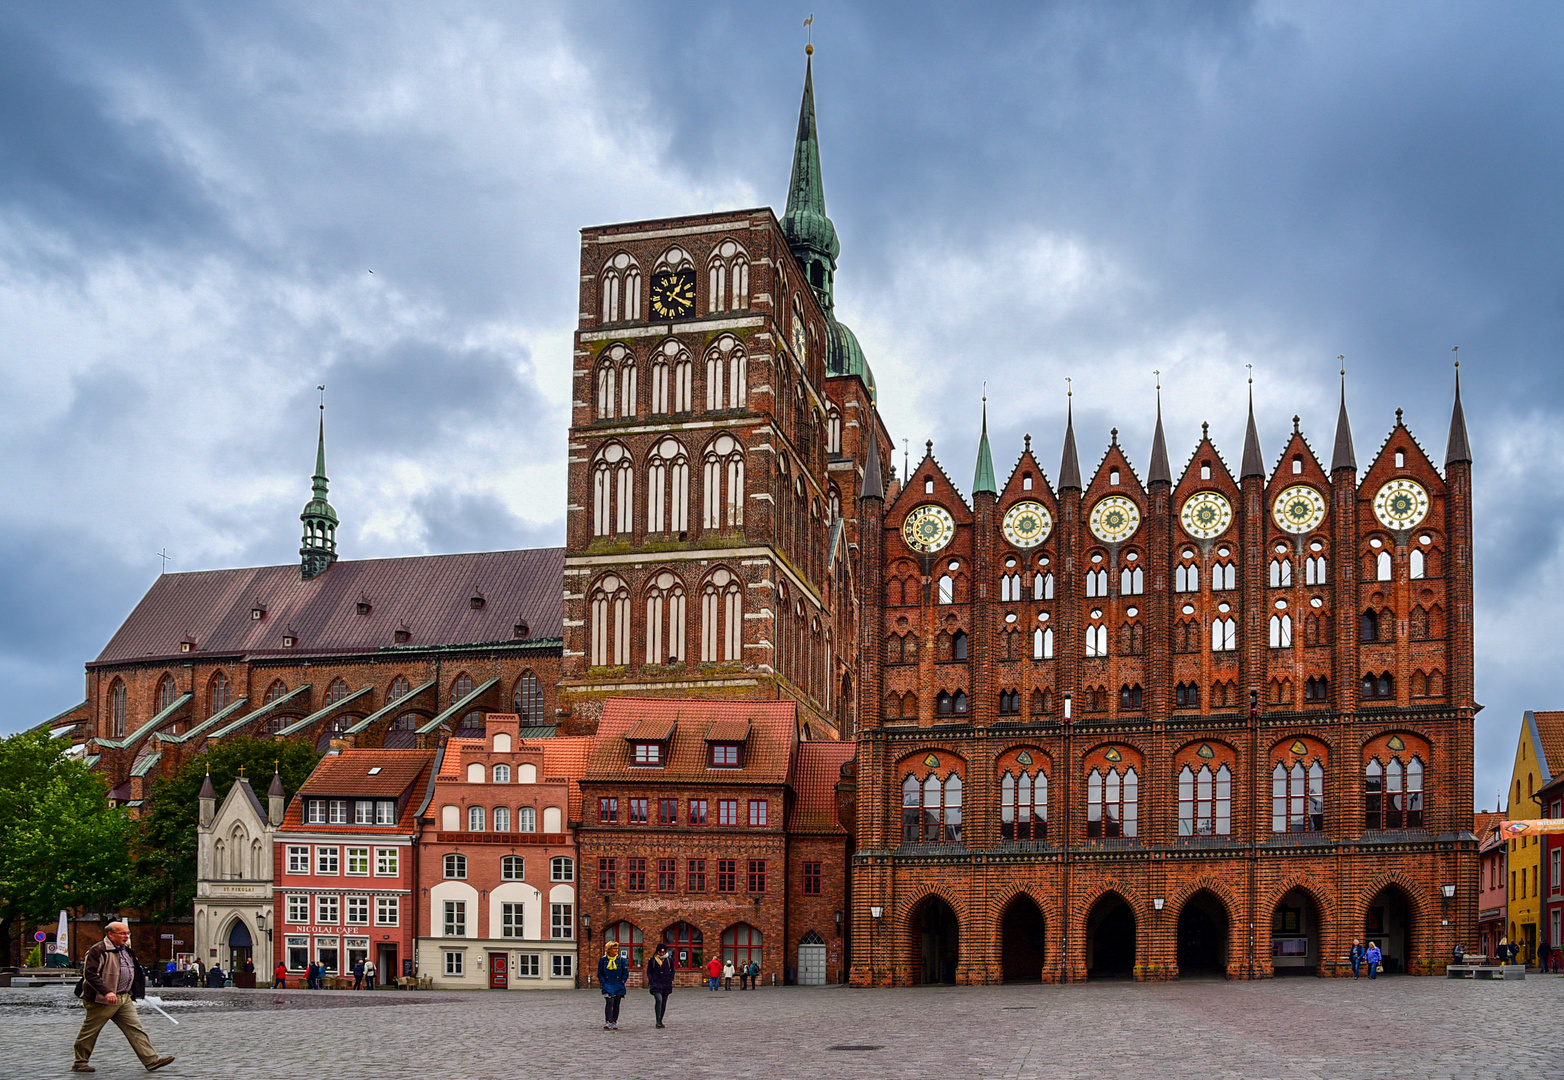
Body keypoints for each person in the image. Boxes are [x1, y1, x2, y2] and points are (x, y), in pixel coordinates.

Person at [72, 921, 176, 1073]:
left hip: (124, 998)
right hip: (102, 1000)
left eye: (127, 933)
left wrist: (135, 990)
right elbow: (90, 974)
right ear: (110, 934)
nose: (126, 936)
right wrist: (106, 991)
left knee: (135, 1029)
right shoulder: (98, 950)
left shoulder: (126, 950)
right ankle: (80, 1063)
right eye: (122, 933)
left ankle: (151, 1060)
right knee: (90, 1031)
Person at [597, 942, 628, 1031]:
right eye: (614, 949)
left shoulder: (621, 960)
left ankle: (614, 1021)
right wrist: (603, 982)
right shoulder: (603, 960)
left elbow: (625, 972)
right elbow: (600, 972)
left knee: (616, 1003)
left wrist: (622, 981)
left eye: (617, 949)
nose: (616, 950)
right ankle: (608, 1021)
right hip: (608, 983)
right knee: (609, 1002)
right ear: (609, 950)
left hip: (618, 984)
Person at [646, 943, 674, 1028]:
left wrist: (670, 979)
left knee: (663, 1003)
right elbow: (649, 971)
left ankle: (660, 1020)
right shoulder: (653, 960)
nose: (661, 954)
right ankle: (657, 1020)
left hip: (666, 984)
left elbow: (672, 971)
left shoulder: (669, 960)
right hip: (656, 984)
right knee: (659, 1000)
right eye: (660, 952)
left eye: (663, 952)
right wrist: (652, 980)